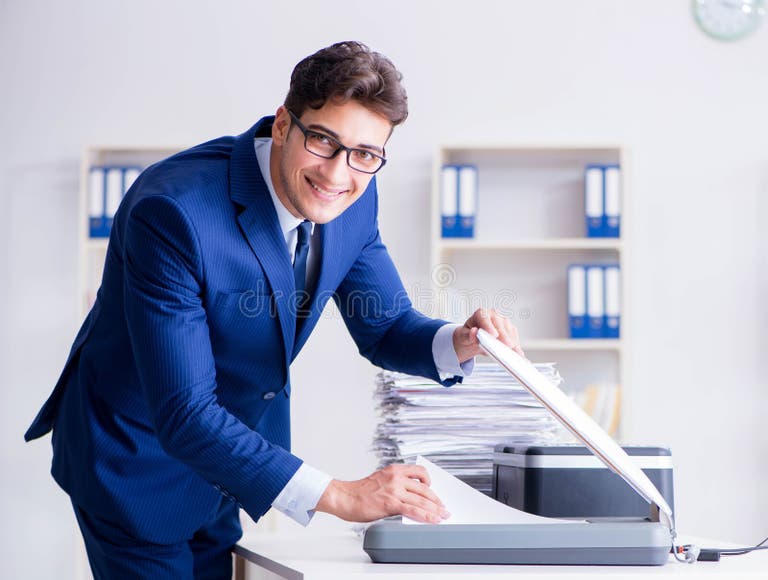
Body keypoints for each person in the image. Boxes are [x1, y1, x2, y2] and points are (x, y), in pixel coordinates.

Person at [25, 41, 522, 579]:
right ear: (284, 124)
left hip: (228, 461)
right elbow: (185, 413)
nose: (338, 174)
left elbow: (385, 325)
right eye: (323, 141)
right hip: (136, 462)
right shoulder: (172, 215)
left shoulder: (355, 196)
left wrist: (460, 340)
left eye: (364, 154)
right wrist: (340, 496)